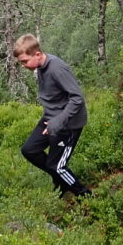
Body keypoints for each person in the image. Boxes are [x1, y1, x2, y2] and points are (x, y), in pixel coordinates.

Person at [13, 34, 91, 197]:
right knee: (29, 150)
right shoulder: (40, 67)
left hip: (69, 124)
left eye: (24, 61)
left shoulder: (56, 68)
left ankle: (84, 195)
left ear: (37, 54)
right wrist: (52, 120)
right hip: (51, 118)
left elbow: (77, 98)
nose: (23, 65)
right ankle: (60, 180)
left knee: (57, 166)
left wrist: (57, 122)